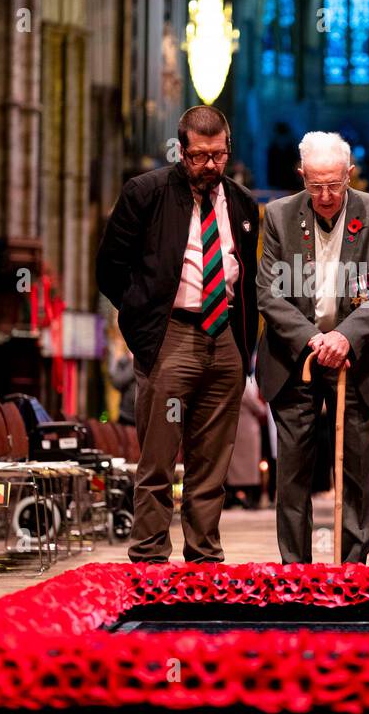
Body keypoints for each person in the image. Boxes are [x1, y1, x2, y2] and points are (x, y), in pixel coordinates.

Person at [95, 105, 260, 563]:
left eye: (219, 155)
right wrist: (144, 322)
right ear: (181, 150)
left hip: (224, 336)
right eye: (199, 156)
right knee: (159, 456)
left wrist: (244, 345)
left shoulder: (243, 203)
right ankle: (149, 554)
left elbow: (245, 278)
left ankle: (204, 554)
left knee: (213, 458)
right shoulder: (145, 193)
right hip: (171, 336)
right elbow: (109, 268)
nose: (210, 166)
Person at [257, 131, 369, 563]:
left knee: (357, 468)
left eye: (334, 184)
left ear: (349, 174)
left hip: (356, 360)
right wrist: (312, 339)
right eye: (314, 184)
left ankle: (354, 563)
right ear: (301, 175)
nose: (324, 195)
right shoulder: (279, 216)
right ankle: (295, 568)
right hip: (293, 358)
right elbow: (269, 292)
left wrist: (344, 336)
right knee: (294, 471)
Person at [226, 376, 267, 509]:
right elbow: (258, 408)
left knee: (236, 468)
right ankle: (249, 497)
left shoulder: (229, 382)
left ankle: (234, 496)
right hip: (247, 430)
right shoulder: (244, 384)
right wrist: (263, 409)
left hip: (234, 427)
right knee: (249, 467)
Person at [108, 347, 136, 425]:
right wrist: (134, 363)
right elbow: (117, 383)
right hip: (126, 414)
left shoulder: (149, 360)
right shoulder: (124, 361)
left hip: (145, 414)